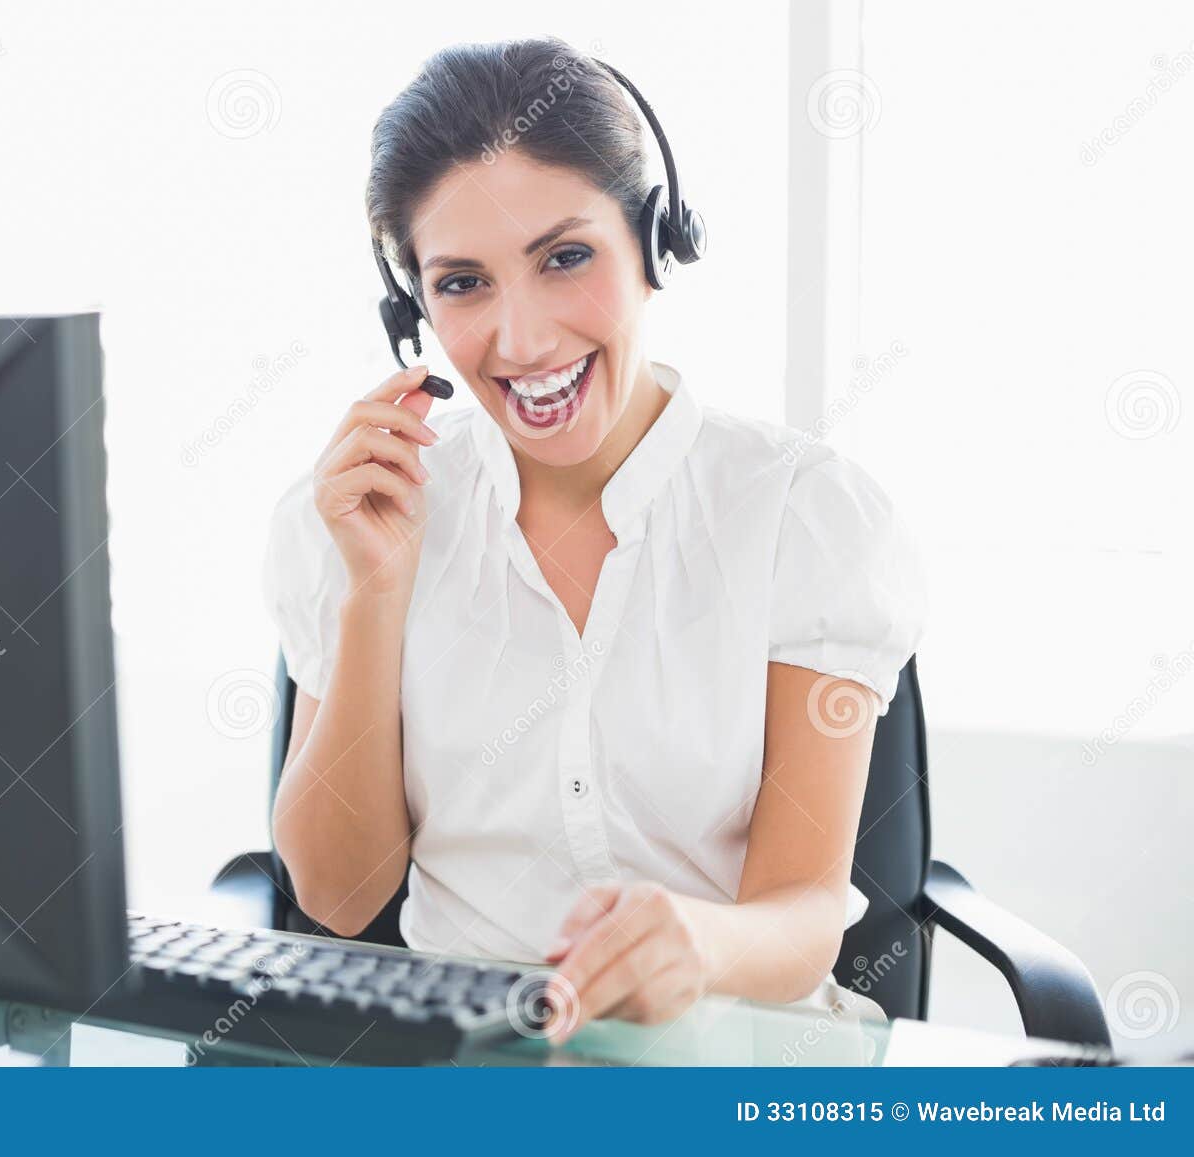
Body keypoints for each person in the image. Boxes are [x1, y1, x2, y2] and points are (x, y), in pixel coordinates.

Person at [262, 37, 926, 1041]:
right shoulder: (361, 510)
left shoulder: (799, 515)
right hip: (471, 1071)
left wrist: (696, 943)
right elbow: (338, 894)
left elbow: (802, 919)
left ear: (655, 244)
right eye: (461, 283)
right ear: (412, 307)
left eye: (565, 257)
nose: (520, 339)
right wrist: (374, 591)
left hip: (736, 1053)